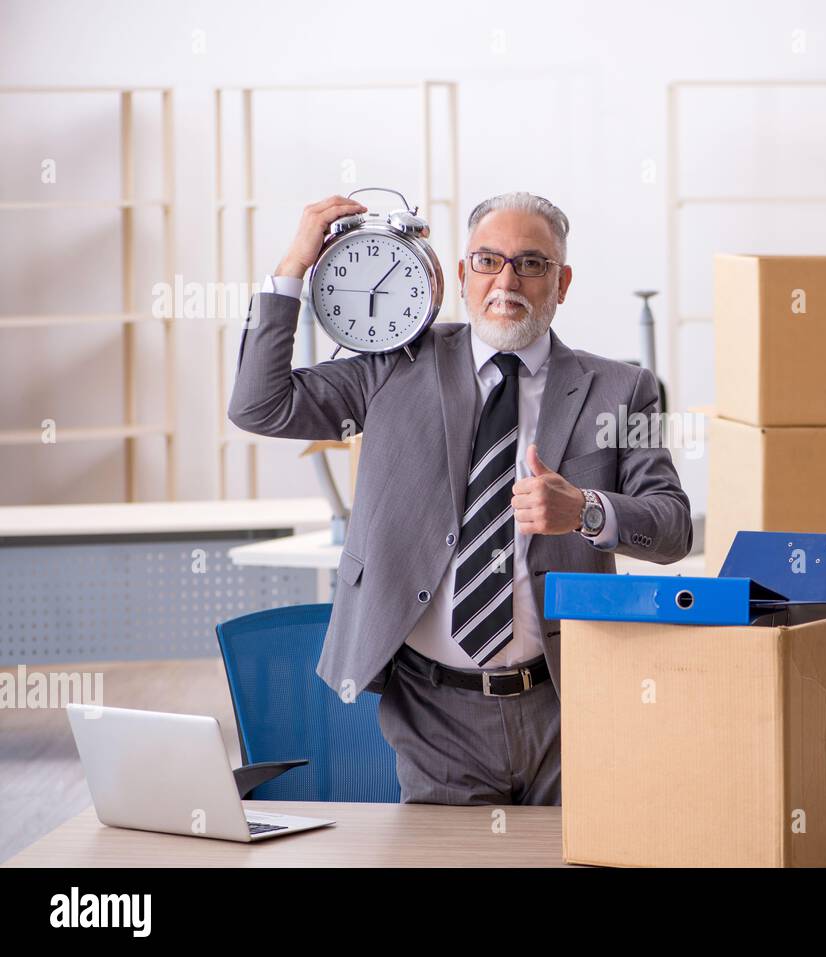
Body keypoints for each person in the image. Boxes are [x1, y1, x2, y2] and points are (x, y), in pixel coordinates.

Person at [228, 191, 692, 805]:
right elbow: (261, 405)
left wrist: (587, 510)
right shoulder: (395, 363)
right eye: (488, 260)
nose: (508, 280)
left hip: (567, 701)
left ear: (563, 282)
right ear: (461, 271)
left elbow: (672, 527)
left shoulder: (620, 389)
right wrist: (292, 269)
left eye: (532, 263)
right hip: (434, 711)